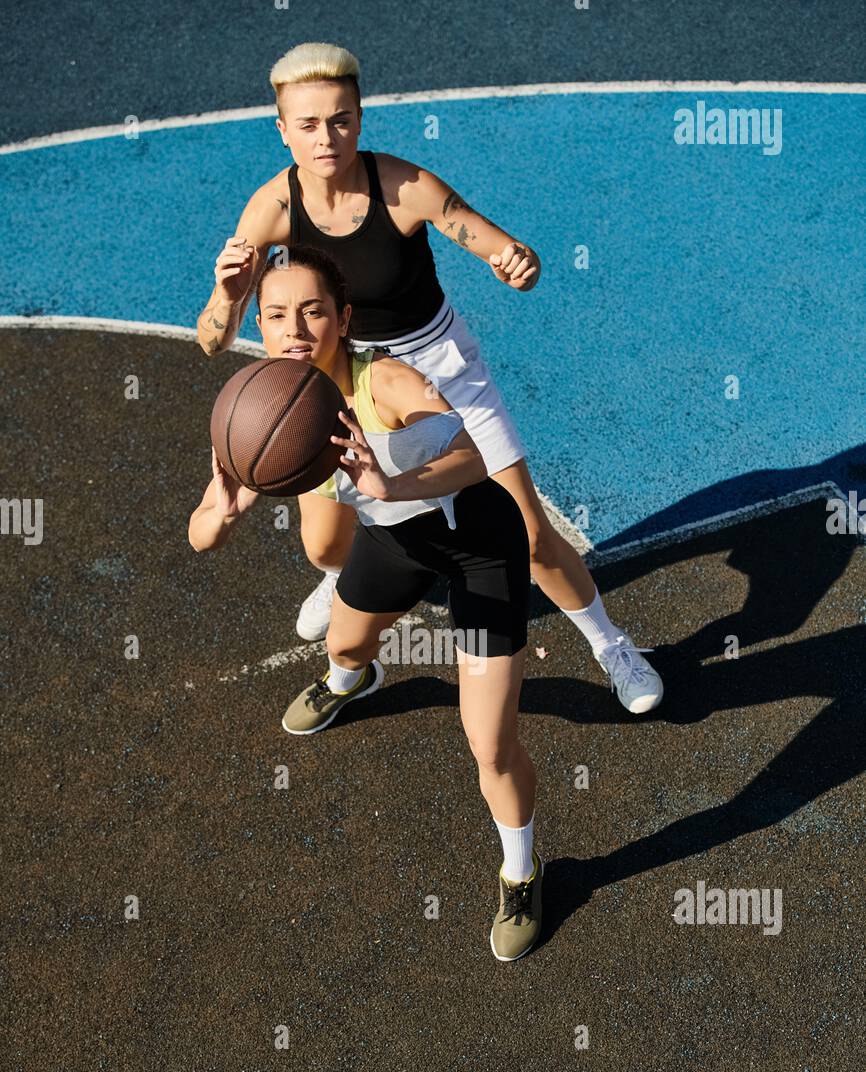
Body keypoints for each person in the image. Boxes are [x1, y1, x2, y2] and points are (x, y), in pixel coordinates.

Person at [195, 41, 664, 716]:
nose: (327, 138)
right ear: (282, 129)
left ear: (360, 116)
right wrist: (225, 296)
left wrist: (515, 260)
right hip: (336, 378)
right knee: (324, 540)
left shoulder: (404, 187)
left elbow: (492, 241)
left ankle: (612, 646)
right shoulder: (270, 209)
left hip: (435, 366)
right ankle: (349, 581)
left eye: (341, 119)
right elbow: (213, 339)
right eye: (307, 124)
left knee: (526, 531)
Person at [189, 244, 545, 963]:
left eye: (314, 311)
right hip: (395, 547)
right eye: (279, 314)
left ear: (343, 318)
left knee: (490, 744)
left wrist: (391, 486)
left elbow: (475, 456)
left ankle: (522, 872)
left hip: (475, 548)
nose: (296, 328)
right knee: (343, 648)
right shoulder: (259, 408)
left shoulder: (384, 381)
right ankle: (355, 680)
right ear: (260, 325)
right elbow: (199, 536)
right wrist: (223, 512)